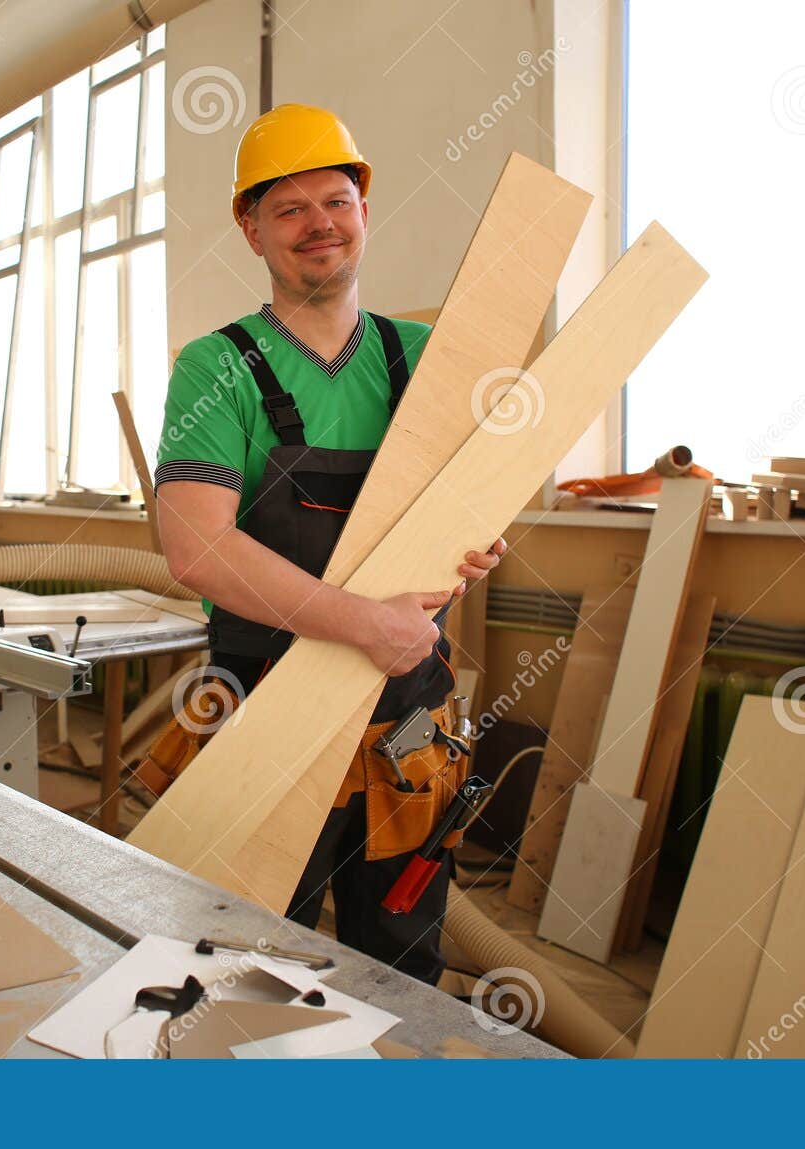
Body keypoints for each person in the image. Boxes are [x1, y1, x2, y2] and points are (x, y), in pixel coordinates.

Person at [150, 103, 505, 984]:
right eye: (290, 208)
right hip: (266, 703)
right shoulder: (216, 367)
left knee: (401, 954)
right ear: (250, 228)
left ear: (365, 212)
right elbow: (196, 549)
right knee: (251, 954)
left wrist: (479, 539)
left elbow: (484, 500)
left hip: (410, 717)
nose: (321, 225)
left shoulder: (429, 359)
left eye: (337, 200)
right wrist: (361, 623)